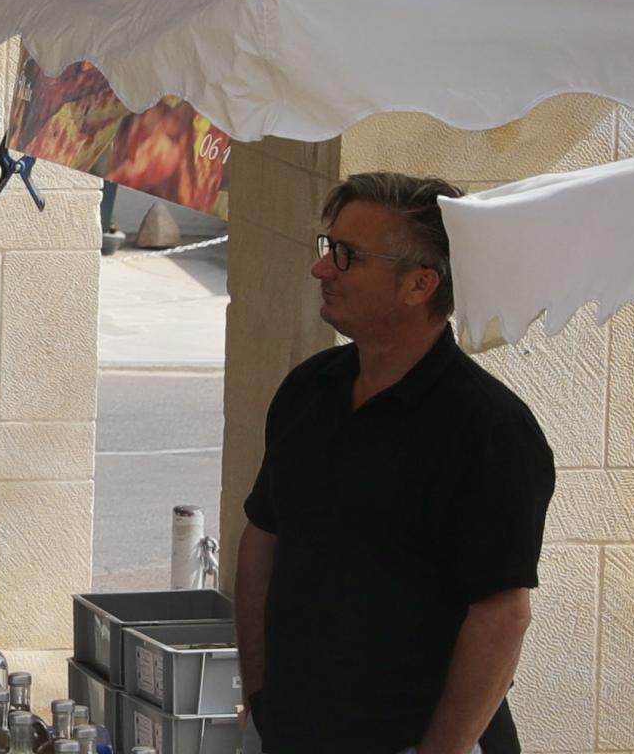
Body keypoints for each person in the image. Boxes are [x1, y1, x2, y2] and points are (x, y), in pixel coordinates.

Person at [235, 172, 555, 754]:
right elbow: (263, 537)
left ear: (420, 284)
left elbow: (502, 613)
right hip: (289, 731)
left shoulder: (489, 431)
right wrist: (260, 697)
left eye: (347, 256)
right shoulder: (308, 390)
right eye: (328, 248)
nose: (321, 269)